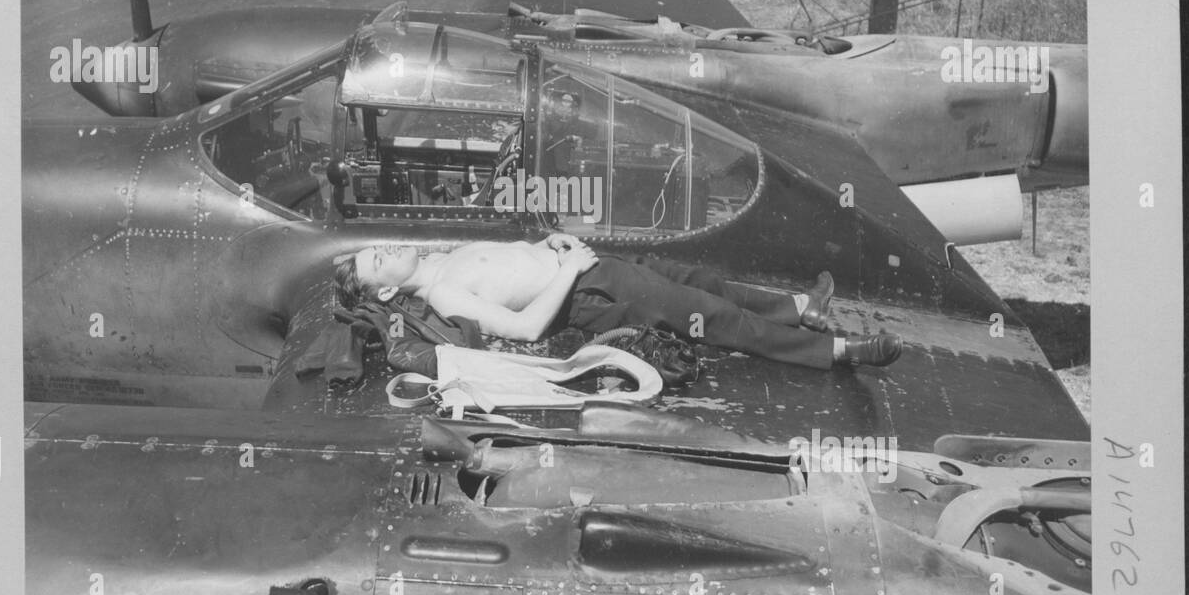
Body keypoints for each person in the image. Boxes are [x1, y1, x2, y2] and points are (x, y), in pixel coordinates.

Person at [330, 235, 902, 369]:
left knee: (700, 281)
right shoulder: (447, 292)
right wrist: (571, 269)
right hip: (593, 292)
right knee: (714, 319)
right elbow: (527, 328)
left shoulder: (446, 256)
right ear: (386, 289)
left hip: (588, 266)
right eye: (379, 260)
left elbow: (517, 261)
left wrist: (550, 243)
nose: (388, 249)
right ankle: (839, 350)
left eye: (377, 247)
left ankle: (802, 305)